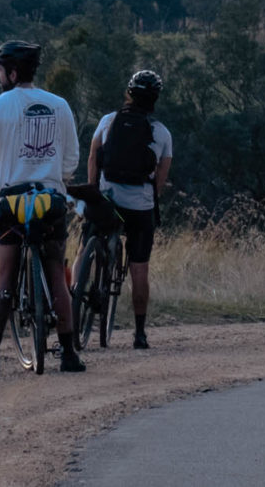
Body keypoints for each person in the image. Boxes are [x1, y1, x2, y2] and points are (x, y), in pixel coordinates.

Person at [0, 38, 84, 374]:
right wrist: (56, 178)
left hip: (12, 201)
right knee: (55, 275)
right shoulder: (60, 105)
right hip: (50, 200)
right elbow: (71, 159)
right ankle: (69, 354)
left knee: (5, 277)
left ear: (13, 72)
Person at [87, 69, 174, 350]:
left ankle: (80, 287)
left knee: (84, 243)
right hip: (140, 208)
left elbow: (93, 156)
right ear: (156, 99)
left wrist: (93, 191)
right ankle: (139, 333)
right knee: (139, 269)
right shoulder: (162, 133)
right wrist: (147, 197)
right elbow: (160, 180)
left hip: (107, 199)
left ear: (129, 93)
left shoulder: (108, 121)